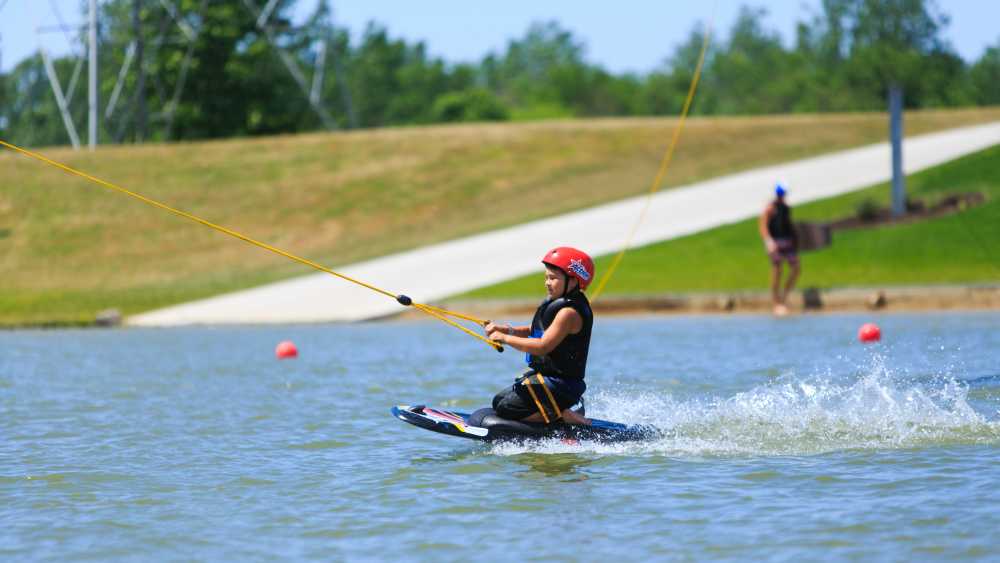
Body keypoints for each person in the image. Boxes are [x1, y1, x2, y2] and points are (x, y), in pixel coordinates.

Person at [484, 246, 594, 426]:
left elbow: (543, 345)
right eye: (546, 278)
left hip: (562, 386)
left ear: (573, 281)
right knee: (499, 401)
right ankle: (558, 411)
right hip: (547, 380)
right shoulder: (557, 305)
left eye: (553, 278)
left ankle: (562, 416)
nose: (547, 283)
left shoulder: (569, 313)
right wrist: (507, 330)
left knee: (506, 408)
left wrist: (505, 339)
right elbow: (534, 329)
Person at [758, 183, 800, 316]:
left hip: (787, 242)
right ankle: (776, 302)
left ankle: (784, 298)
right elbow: (763, 225)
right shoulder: (771, 207)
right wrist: (768, 241)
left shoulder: (786, 208)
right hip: (775, 242)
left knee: (796, 268)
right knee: (777, 270)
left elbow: (789, 225)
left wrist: (795, 239)